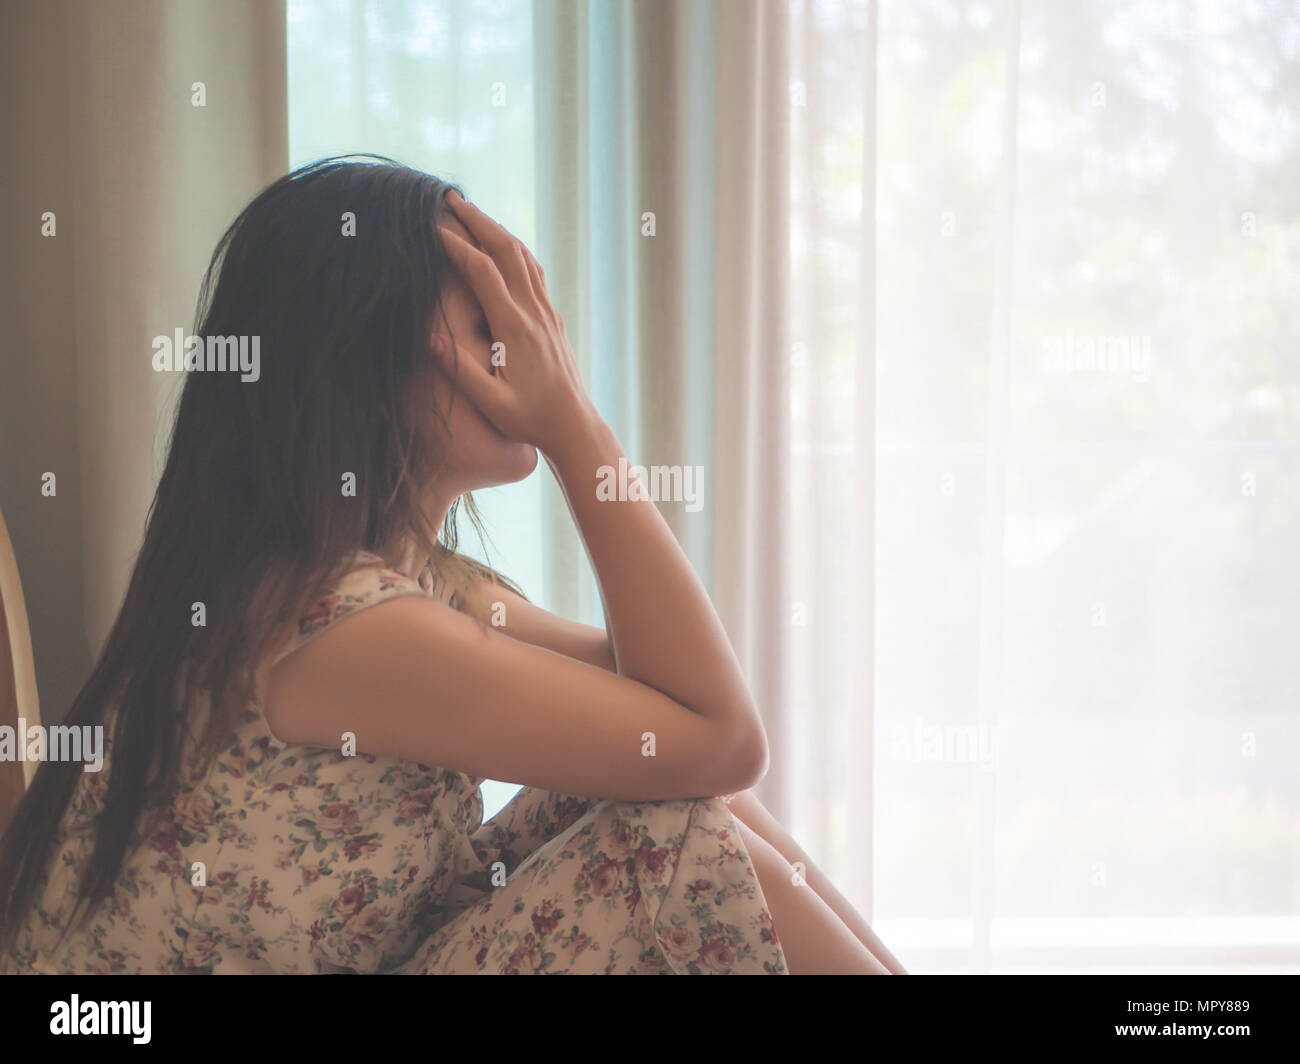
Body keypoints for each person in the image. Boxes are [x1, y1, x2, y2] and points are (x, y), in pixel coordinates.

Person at [0, 156, 905, 975]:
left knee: (680, 799)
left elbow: (683, 719)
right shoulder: (336, 626)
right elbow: (722, 732)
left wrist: (569, 416)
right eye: (489, 324)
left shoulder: (417, 580)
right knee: (677, 842)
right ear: (366, 359)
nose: (533, 354)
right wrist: (577, 432)